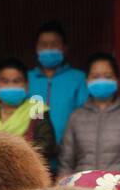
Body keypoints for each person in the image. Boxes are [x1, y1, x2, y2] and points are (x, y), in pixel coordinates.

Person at [58, 52, 120, 174]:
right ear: (87, 80)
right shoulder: (76, 117)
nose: (101, 80)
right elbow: (66, 163)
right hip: (85, 189)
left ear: (117, 80)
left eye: (108, 76)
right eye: (95, 76)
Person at [0, 58, 57, 164]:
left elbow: (46, 145)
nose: (10, 85)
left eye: (16, 81)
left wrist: (11, 156)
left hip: (27, 169)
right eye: (5, 81)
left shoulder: (36, 107)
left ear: (26, 86)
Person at [27, 19, 88, 148]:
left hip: (70, 152)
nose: (48, 49)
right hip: (36, 152)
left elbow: (85, 118)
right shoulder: (27, 79)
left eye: (54, 44)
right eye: (43, 44)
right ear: (36, 48)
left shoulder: (78, 78)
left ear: (64, 48)